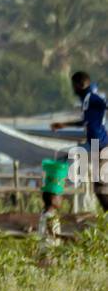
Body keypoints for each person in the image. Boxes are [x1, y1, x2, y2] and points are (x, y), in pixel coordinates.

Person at [52, 71, 108, 209]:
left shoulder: (92, 97)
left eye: (74, 86)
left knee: (100, 187)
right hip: (96, 145)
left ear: (80, 85)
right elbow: (86, 121)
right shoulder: (86, 99)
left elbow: (103, 104)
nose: (73, 89)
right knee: (99, 187)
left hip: (101, 144)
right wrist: (64, 124)